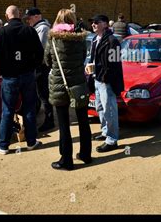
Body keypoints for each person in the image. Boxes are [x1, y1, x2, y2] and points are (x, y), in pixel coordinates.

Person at [0, 5, 43, 154]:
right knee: (29, 108)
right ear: (19, 15)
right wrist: (32, 66)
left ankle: (3, 145)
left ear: (7, 17)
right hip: (27, 75)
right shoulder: (29, 30)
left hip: (10, 76)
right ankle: (31, 141)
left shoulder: (2, 32)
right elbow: (40, 53)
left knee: (7, 110)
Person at [45, 9, 92, 170]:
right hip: (78, 83)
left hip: (60, 84)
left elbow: (47, 61)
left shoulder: (52, 39)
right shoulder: (80, 39)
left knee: (64, 123)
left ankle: (66, 160)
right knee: (83, 120)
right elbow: (83, 57)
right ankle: (86, 155)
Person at [87, 14, 124, 153]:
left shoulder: (112, 41)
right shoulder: (95, 40)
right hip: (97, 79)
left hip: (106, 81)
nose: (93, 25)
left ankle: (112, 139)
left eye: (96, 22)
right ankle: (105, 132)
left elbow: (114, 64)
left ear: (105, 24)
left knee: (110, 111)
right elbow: (94, 59)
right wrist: (90, 69)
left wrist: (104, 77)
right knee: (100, 108)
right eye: (92, 22)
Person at [25, 7, 55, 132]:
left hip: (41, 66)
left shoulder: (43, 28)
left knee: (44, 94)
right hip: (38, 66)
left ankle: (50, 120)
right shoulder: (36, 28)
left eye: (29, 18)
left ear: (37, 16)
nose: (28, 21)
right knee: (41, 94)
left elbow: (40, 50)